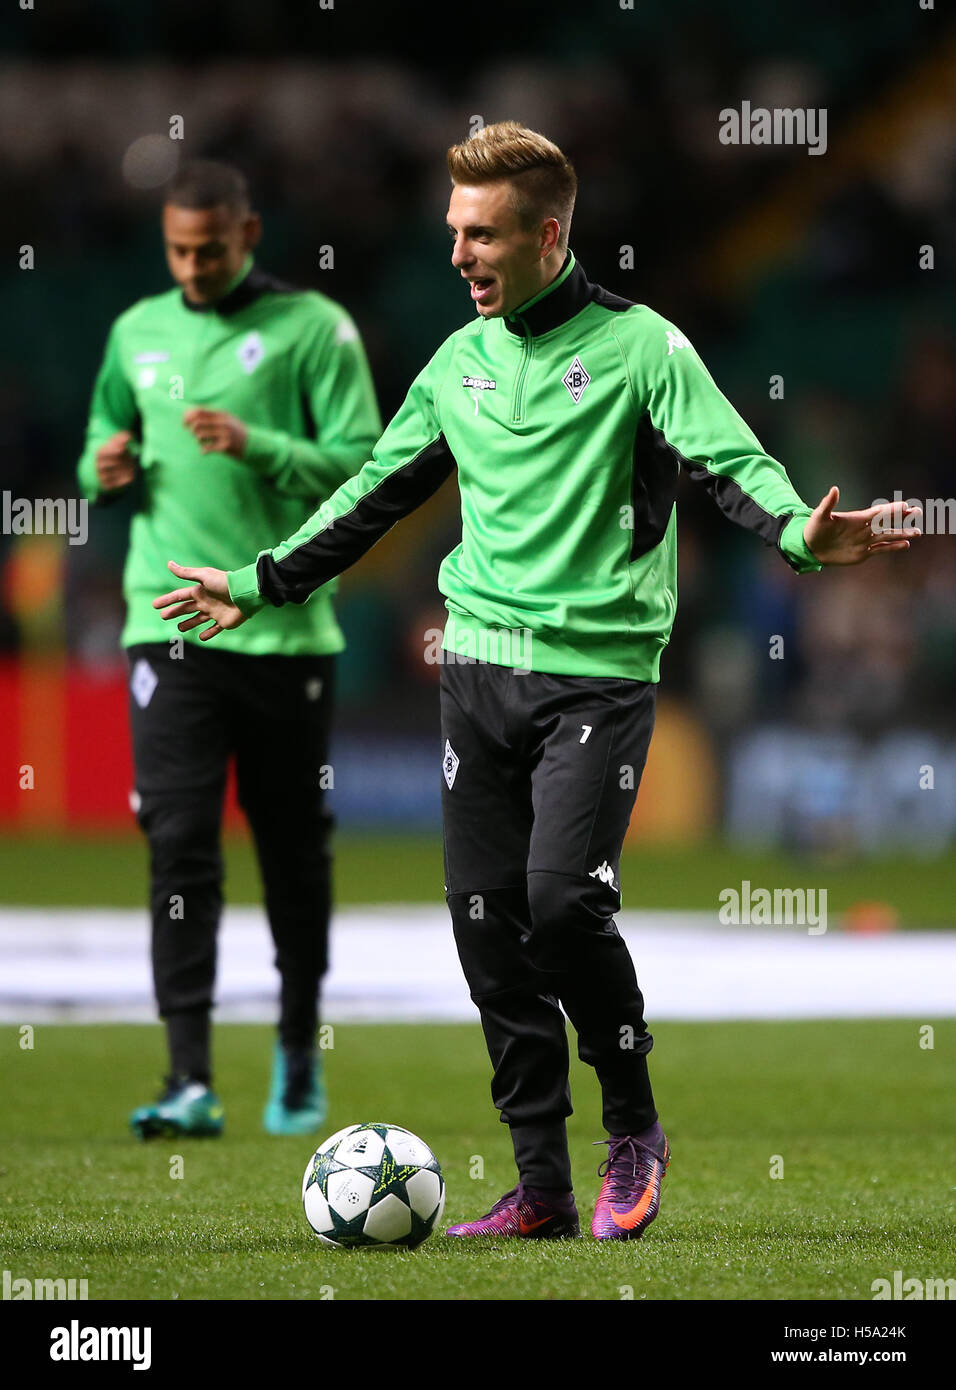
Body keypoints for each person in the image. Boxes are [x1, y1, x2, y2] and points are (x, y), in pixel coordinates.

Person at [151, 124, 919, 1236]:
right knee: (484, 925)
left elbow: (729, 464)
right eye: (453, 231)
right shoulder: (456, 363)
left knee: (561, 903)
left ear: (546, 233)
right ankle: (541, 1189)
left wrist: (802, 534)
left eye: (481, 234)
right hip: (475, 674)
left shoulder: (641, 347)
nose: (458, 254)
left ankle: (631, 1130)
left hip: (593, 681)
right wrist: (258, 580)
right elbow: (372, 492)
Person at [77, 159, 381, 1140]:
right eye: (176, 250)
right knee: (177, 842)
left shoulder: (313, 329)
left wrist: (259, 445)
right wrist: (103, 468)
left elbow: (366, 468)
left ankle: (297, 1047)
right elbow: (96, 451)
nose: (192, 267)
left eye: (209, 249)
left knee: (292, 852)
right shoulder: (136, 330)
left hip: (281, 626)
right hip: (165, 625)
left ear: (249, 234)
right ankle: (188, 1077)